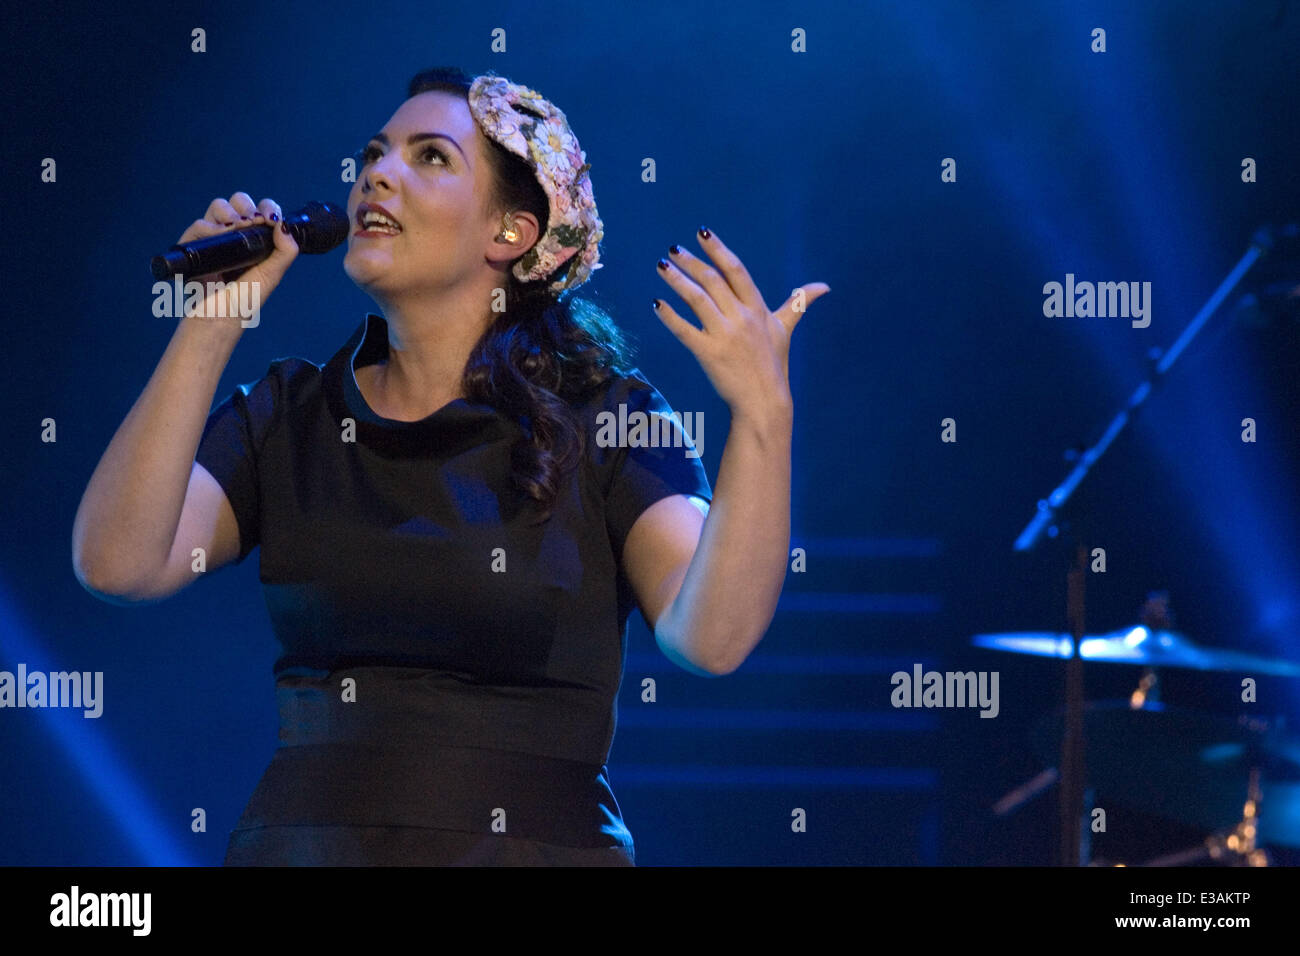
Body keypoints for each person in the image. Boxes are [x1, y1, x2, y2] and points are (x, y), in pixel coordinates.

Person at [71, 67, 830, 865]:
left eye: (429, 157)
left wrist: (762, 418)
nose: (377, 174)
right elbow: (118, 562)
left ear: (512, 232)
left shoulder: (607, 419)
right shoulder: (292, 412)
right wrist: (211, 322)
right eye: (375, 153)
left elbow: (709, 637)